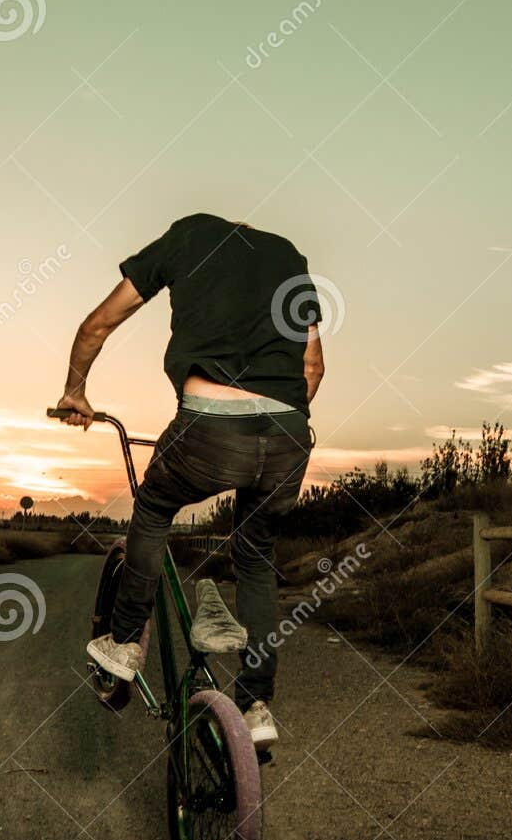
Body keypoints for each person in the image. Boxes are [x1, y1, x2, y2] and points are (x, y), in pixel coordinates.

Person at [53, 213, 324, 750]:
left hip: (207, 424)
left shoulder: (189, 236)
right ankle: (255, 702)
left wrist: (75, 392)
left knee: (154, 507)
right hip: (288, 433)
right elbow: (312, 367)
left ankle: (126, 641)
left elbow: (96, 325)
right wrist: (266, 430)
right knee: (255, 554)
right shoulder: (289, 256)